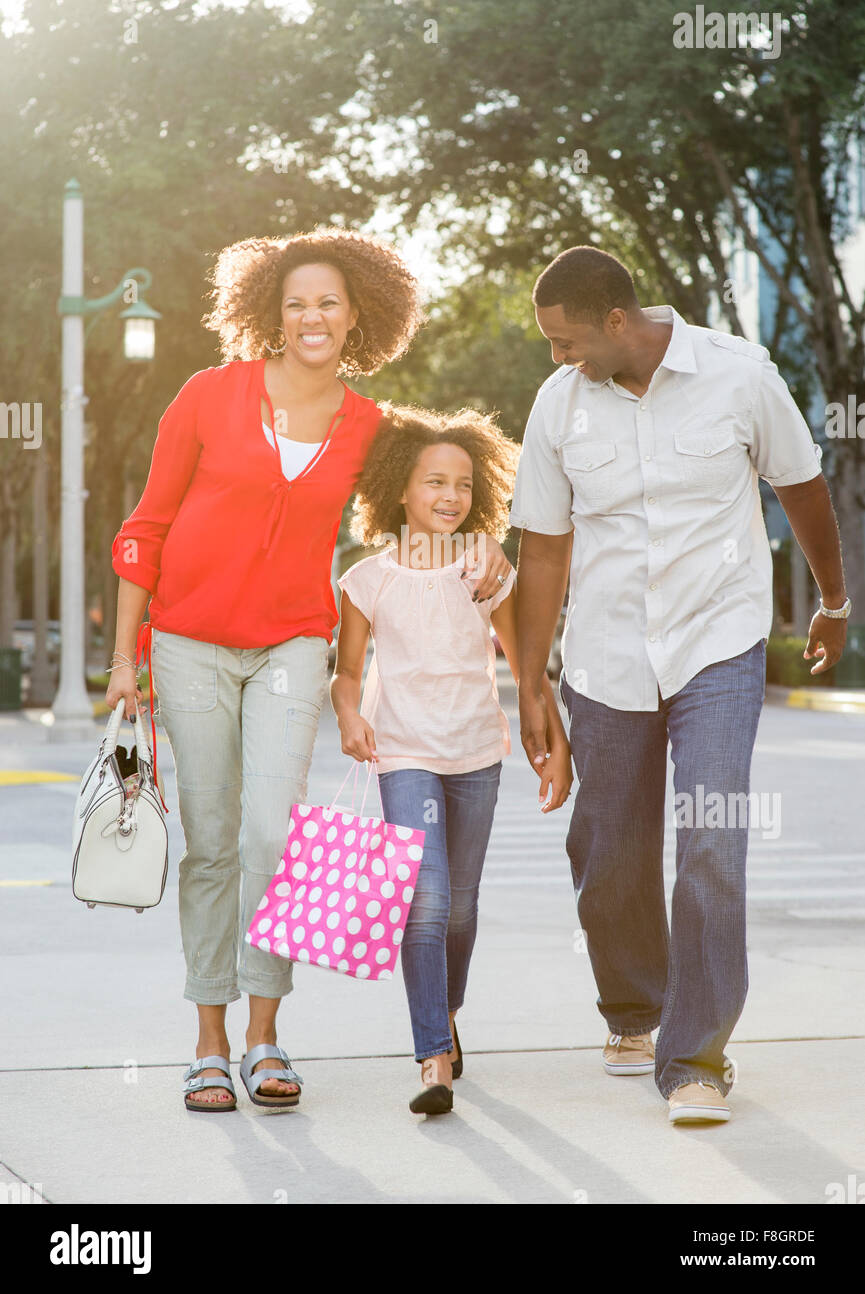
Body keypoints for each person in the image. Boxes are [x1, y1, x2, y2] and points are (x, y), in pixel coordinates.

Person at [106, 229, 511, 1113]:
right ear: (269, 312)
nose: (311, 316)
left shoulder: (370, 427)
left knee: (269, 837)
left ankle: (264, 1036)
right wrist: (122, 657)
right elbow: (147, 525)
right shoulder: (210, 396)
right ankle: (209, 1041)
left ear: (358, 313)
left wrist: (484, 549)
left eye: (328, 301)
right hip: (188, 642)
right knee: (212, 842)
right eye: (295, 302)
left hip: (293, 643)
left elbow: (439, 485)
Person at [511, 245, 849, 1125]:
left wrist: (833, 599)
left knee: (710, 837)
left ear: (617, 321)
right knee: (606, 851)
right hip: (603, 653)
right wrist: (530, 683)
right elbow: (542, 547)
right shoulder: (558, 405)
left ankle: (695, 1056)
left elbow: (801, 483)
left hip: (718, 641)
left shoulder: (738, 374)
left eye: (566, 339)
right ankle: (633, 1009)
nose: (558, 357)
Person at [331, 403, 573, 1114]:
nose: (449, 496)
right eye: (434, 482)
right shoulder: (366, 579)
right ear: (398, 490)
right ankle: (432, 1055)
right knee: (425, 898)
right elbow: (347, 674)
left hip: (474, 749)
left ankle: (448, 1012)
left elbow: (522, 661)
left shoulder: (481, 566)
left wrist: (545, 735)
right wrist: (349, 712)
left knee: (460, 907)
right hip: (401, 749)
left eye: (463, 485)